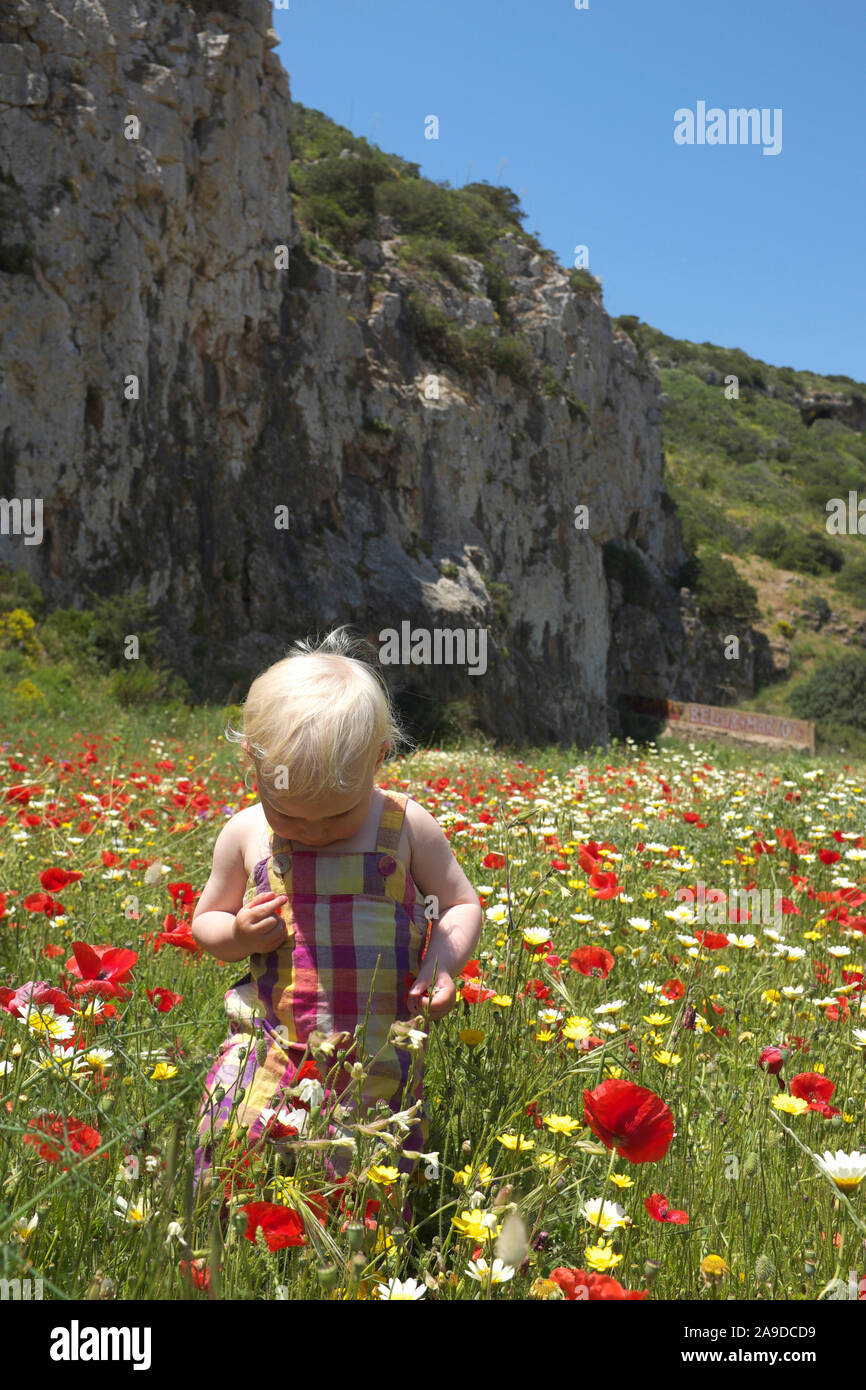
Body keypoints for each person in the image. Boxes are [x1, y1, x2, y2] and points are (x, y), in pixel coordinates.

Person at [190, 626, 482, 1204]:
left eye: (337, 816)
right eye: (292, 817)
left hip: (370, 1053)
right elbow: (206, 924)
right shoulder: (246, 831)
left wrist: (442, 967)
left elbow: (460, 902)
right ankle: (225, 1241)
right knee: (227, 1157)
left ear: (379, 758)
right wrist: (237, 933)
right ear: (251, 762)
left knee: (358, 1180)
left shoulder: (405, 826)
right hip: (267, 1043)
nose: (314, 833)